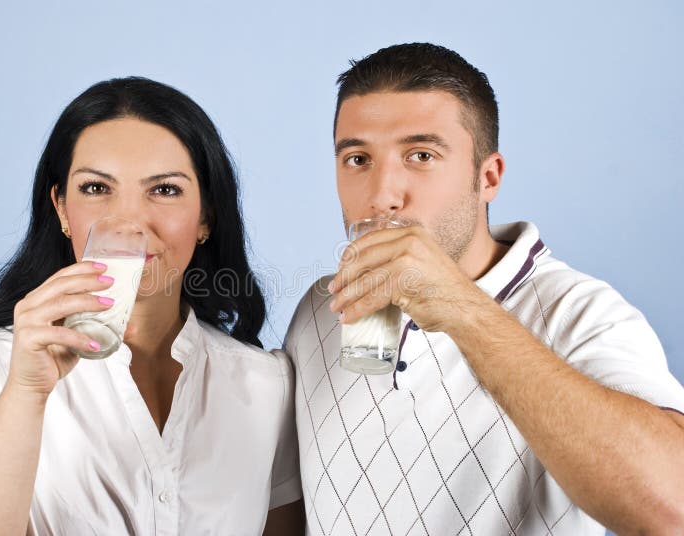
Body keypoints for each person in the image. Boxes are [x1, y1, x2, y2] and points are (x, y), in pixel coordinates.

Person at [280, 43, 684, 535]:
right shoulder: (320, 311)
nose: (382, 195)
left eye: (421, 155)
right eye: (358, 159)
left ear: (487, 177)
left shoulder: (579, 313)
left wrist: (462, 310)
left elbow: (672, 507)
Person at [0, 77, 304, 535]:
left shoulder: (267, 384)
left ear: (206, 218)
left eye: (165, 190)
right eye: (97, 188)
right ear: (60, 208)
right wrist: (25, 393)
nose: (130, 220)